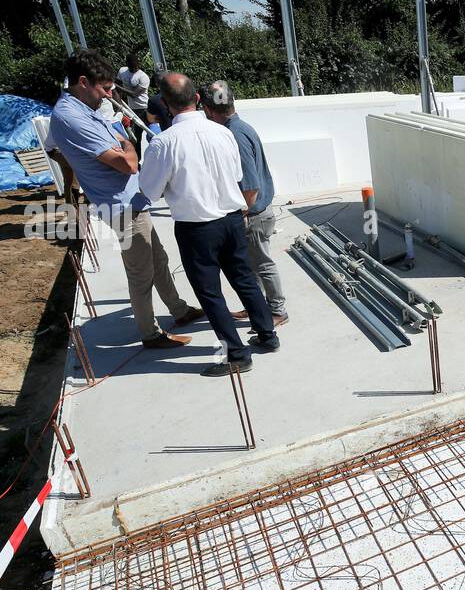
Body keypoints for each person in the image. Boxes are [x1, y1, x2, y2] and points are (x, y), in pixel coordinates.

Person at [47, 48, 202, 349]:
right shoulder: (69, 118)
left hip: (131, 201)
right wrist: (129, 147)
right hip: (121, 207)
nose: (108, 96)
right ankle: (150, 333)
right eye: (105, 88)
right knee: (141, 272)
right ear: (82, 82)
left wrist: (124, 145)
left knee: (158, 259)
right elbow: (127, 162)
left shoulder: (83, 111)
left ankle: (179, 310)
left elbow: (120, 144)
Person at [138, 72, 280, 377]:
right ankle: (268, 335)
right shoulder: (223, 132)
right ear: (197, 99)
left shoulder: (164, 143)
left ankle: (238, 355)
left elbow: (149, 191)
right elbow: (238, 177)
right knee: (243, 278)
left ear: (164, 104)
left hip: (197, 228)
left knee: (210, 293)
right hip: (231, 220)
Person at [199, 80, 288, 326]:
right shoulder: (240, 128)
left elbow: (250, 186)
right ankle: (256, 306)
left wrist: (242, 215)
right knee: (251, 265)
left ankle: (278, 311)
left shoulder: (235, 135)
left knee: (261, 263)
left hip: (254, 214)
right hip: (257, 211)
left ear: (207, 109)